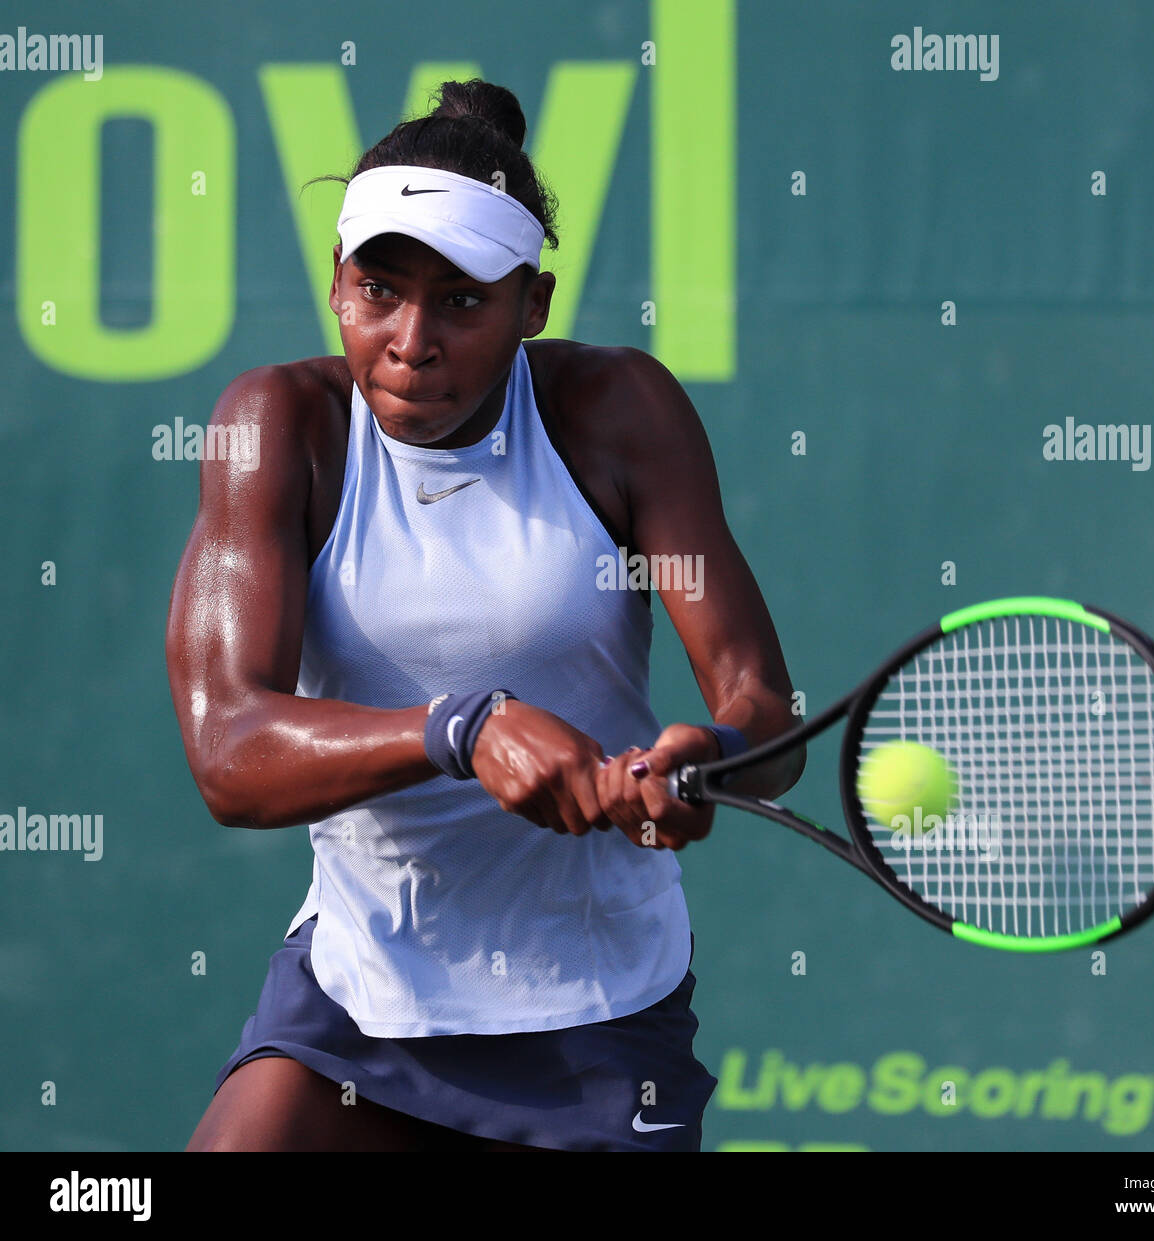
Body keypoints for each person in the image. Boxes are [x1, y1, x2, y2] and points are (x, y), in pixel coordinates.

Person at [166, 79, 802, 1152]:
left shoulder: (619, 412)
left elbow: (763, 707)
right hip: (361, 990)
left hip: (597, 1007)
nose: (412, 340)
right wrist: (460, 727)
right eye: (379, 290)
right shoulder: (275, 424)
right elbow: (228, 752)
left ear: (533, 304)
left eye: (463, 301)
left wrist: (712, 755)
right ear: (335, 285)